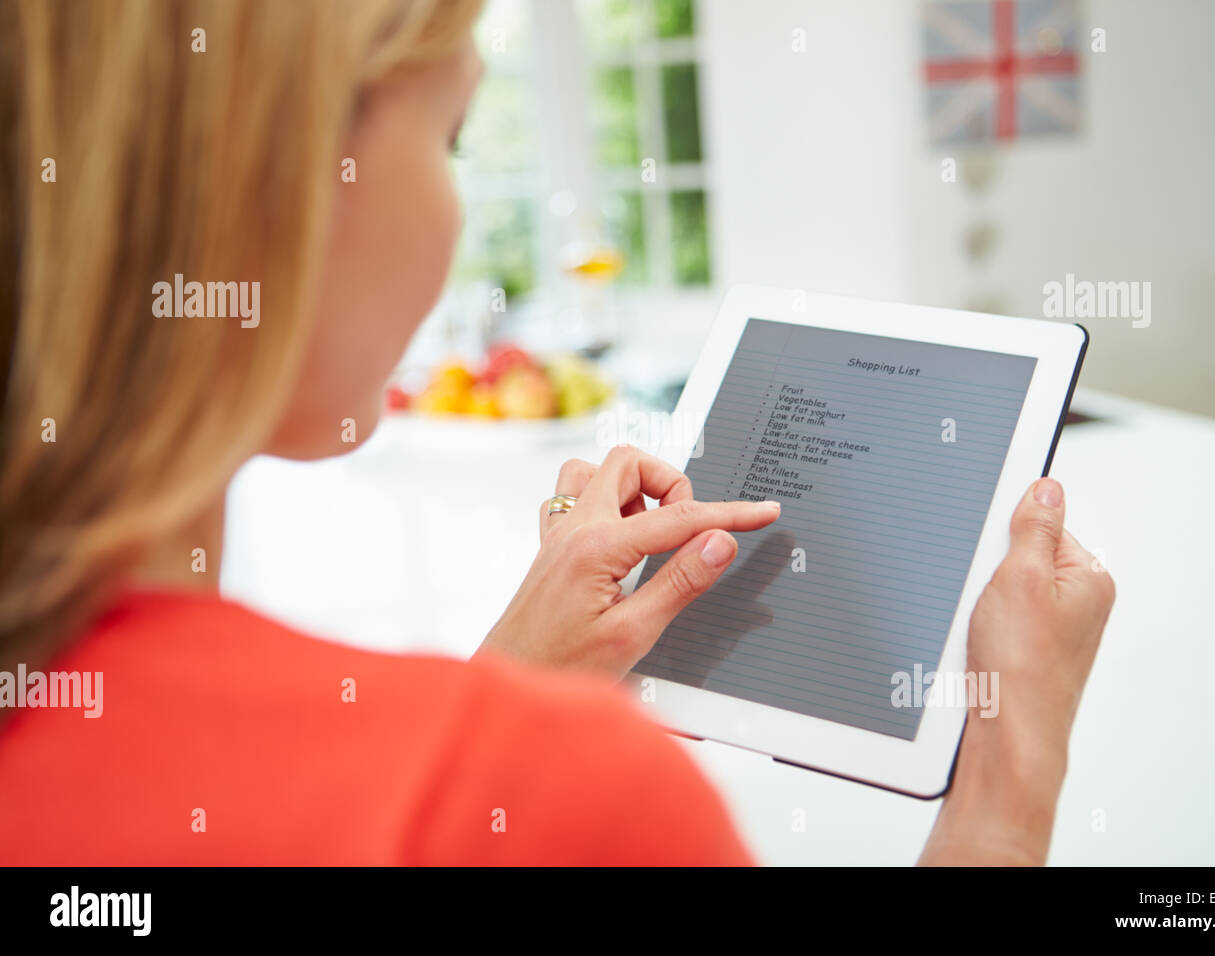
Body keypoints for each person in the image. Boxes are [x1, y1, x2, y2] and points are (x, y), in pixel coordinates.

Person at [0, 0, 1114, 865]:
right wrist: (1010, 776)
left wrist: (505, 683)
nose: (456, 206)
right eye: (453, 133)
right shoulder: (579, 796)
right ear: (280, 179)